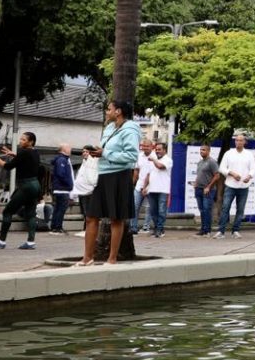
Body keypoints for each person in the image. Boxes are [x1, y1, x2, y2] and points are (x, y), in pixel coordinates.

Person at [81, 99, 140, 266]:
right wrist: (94, 152)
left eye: (109, 109)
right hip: (103, 175)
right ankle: (87, 258)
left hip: (120, 176)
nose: (106, 112)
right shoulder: (109, 128)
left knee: (116, 218)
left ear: (118, 112)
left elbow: (132, 156)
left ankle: (112, 258)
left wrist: (105, 153)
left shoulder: (131, 130)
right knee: (91, 216)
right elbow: (104, 150)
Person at [0, 132, 43, 250]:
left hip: (26, 186)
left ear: (30, 142)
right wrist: (14, 154)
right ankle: (30, 242)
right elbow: (25, 160)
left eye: (23, 140)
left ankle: (1, 242)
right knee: (31, 214)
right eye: (21, 139)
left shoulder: (23, 152)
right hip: (35, 185)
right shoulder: (35, 152)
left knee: (7, 212)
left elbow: (8, 166)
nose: (20, 141)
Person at [217, 133, 255, 239]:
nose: (238, 142)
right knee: (225, 208)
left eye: (240, 140)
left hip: (243, 186)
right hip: (230, 185)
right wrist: (231, 173)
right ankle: (221, 231)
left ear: (244, 142)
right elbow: (221, 168)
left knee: (240, 209)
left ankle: (236, 231)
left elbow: (253, 169)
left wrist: (249, 176)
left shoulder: (249, 154)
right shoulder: (229, 153)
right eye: (236, 140)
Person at [142, 143, 171, 237]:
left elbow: (160, 167)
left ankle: (159, 229)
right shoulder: (152, 161)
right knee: (153, 211)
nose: (157, 151)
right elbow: (148, 175)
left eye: (159, 149)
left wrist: (154, 159)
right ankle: (157, 229)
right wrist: (144, 187)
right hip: (152, 189)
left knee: (162, 211)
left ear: (164, 150)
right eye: (156, 149)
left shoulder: (168, 160)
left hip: (163, 189)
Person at [192, 144, 220, 237]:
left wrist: (208, 187)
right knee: (202, 210)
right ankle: (203, 229)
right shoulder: (200, 162)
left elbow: (217, 176)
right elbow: (199, 175)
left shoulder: (212, 162)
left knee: (207, 210)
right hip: (198, 189)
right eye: (200, 150)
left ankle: (208, 230)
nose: (201, 151)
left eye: (203, 150)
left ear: (208, 151)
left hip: (208, 190)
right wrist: (195, 183)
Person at [49, 144, 74, 234]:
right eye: (69, 148)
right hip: (62, 189)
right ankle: (57, 227)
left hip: (60, 188)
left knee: (58, 208)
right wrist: (69, 183)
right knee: (61, 209)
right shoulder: (62, 160)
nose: (71, 149)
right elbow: (61, 174)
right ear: (64, 150)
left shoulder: (62, 159)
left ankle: (54, 227)